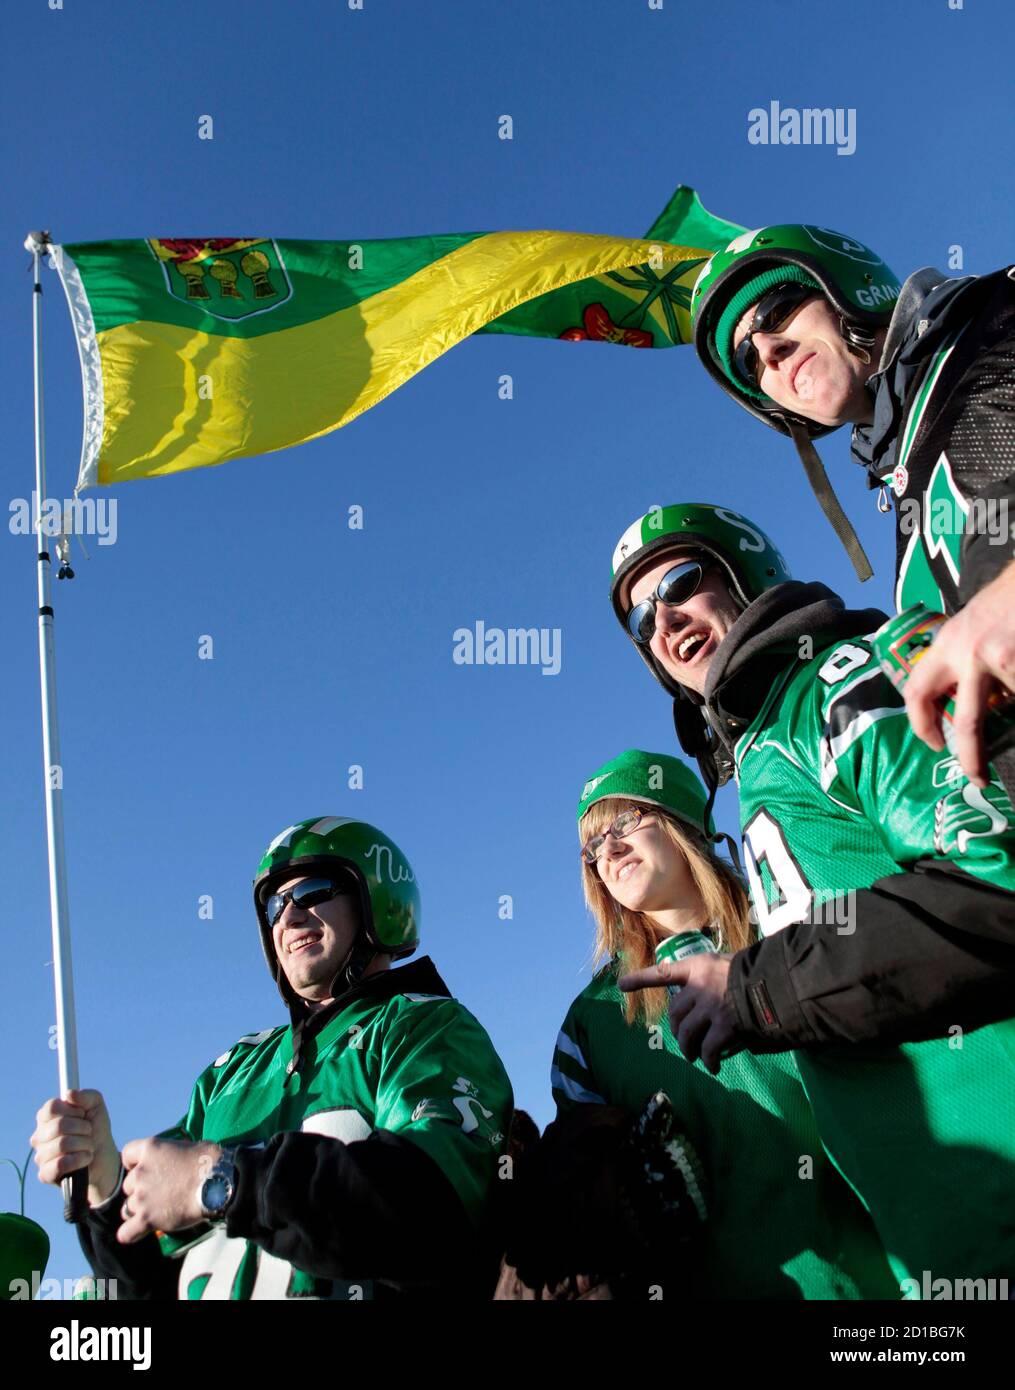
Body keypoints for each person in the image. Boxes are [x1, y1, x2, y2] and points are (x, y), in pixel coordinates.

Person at [609, 504, 1015, 1285]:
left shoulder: (836, 678)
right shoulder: (754, 760)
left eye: (679, 582)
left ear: (745, 572)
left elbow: (994, 872)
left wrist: (754, 988)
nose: (659, 620)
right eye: (636, 619)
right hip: (935, 1243)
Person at [30, 816, 512, 1300]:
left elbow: (430, 1213)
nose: (289, 917)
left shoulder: (425, 1028)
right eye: (276, 906)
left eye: (313, 892)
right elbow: (145, 1285)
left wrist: (223, 1180)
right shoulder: (230, 1072)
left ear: (378, 901)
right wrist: (104, 1184)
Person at [501, 749, 896, 1300]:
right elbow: (588, 1199)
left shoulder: (795, 929)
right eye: (592, 846)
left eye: (625, 821)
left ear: (685, 823)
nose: (608, 849)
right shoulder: (590, 1022)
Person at [690, 225, 1015, 790]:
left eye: (776, 309)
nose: (768, 350)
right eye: (748, 362)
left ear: (848, 289)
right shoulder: (909, 487)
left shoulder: (993, 317)